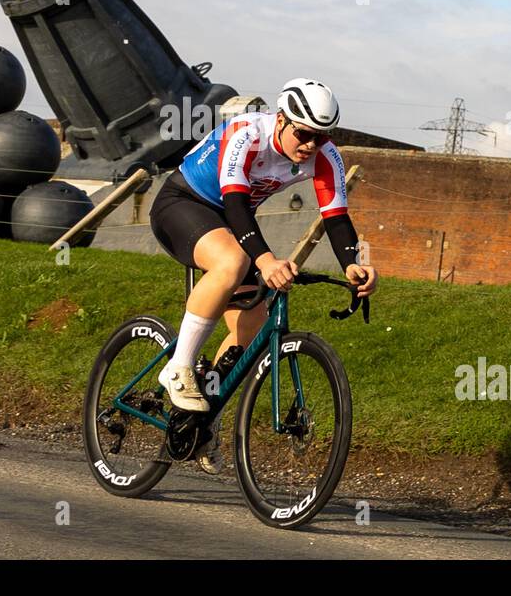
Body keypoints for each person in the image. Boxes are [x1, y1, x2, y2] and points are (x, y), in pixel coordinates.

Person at [148, 78, 378, 473]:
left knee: (253, 323)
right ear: (282, 119)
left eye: (322, 136)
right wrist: (267, 261)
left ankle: (203, 419)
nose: (311, 145)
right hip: (183, 204)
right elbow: (236, 205)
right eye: (304, 134)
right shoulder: (247, 133)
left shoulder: (325, 156)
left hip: (230, 222)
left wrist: (352, 263)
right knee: (233, 261)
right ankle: (178, 367)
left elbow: (337, 217)